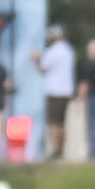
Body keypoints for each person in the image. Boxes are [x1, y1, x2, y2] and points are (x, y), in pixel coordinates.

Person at [33, 24, 77, 161]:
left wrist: (36, 60)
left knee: (54, 123)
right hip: (66, 91)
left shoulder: (52, 52)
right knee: (61, 123)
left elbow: (43, 69)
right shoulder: (68, 50)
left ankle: (56, 151)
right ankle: (61, 150)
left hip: (54, 91)